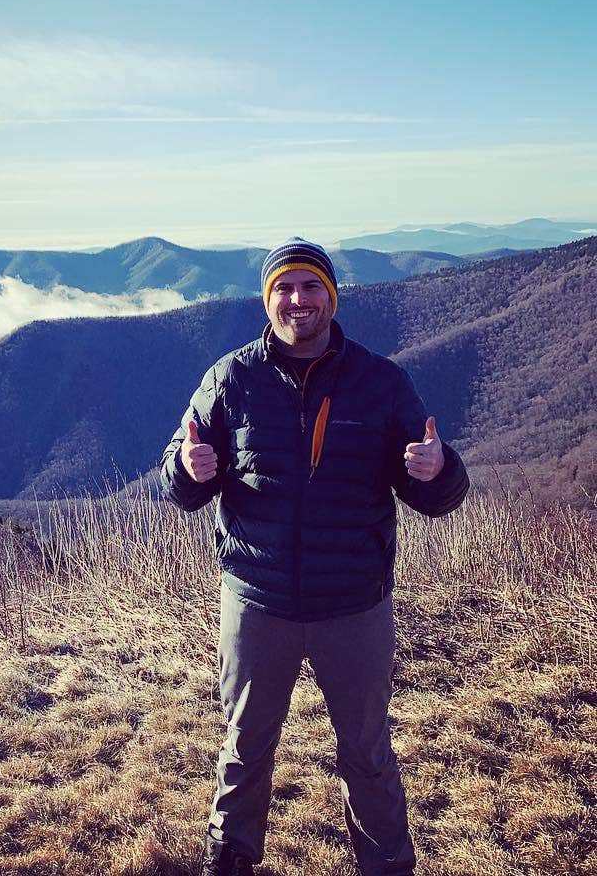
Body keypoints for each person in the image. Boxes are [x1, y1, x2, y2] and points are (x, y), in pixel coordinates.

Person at [159, 237, 469, 876]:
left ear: (332, 295)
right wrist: (188, 470)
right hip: (257, 599)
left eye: (311, 288)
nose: (298, 301)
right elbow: (180, 480)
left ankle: (386, 866)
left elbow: (432, 492)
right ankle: (231, 860)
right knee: (245, 745)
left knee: (366, 752)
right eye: (285, 289)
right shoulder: (230, 379)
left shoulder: (382, 384)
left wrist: (438, 470)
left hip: (353, 604)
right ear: (266, 301)